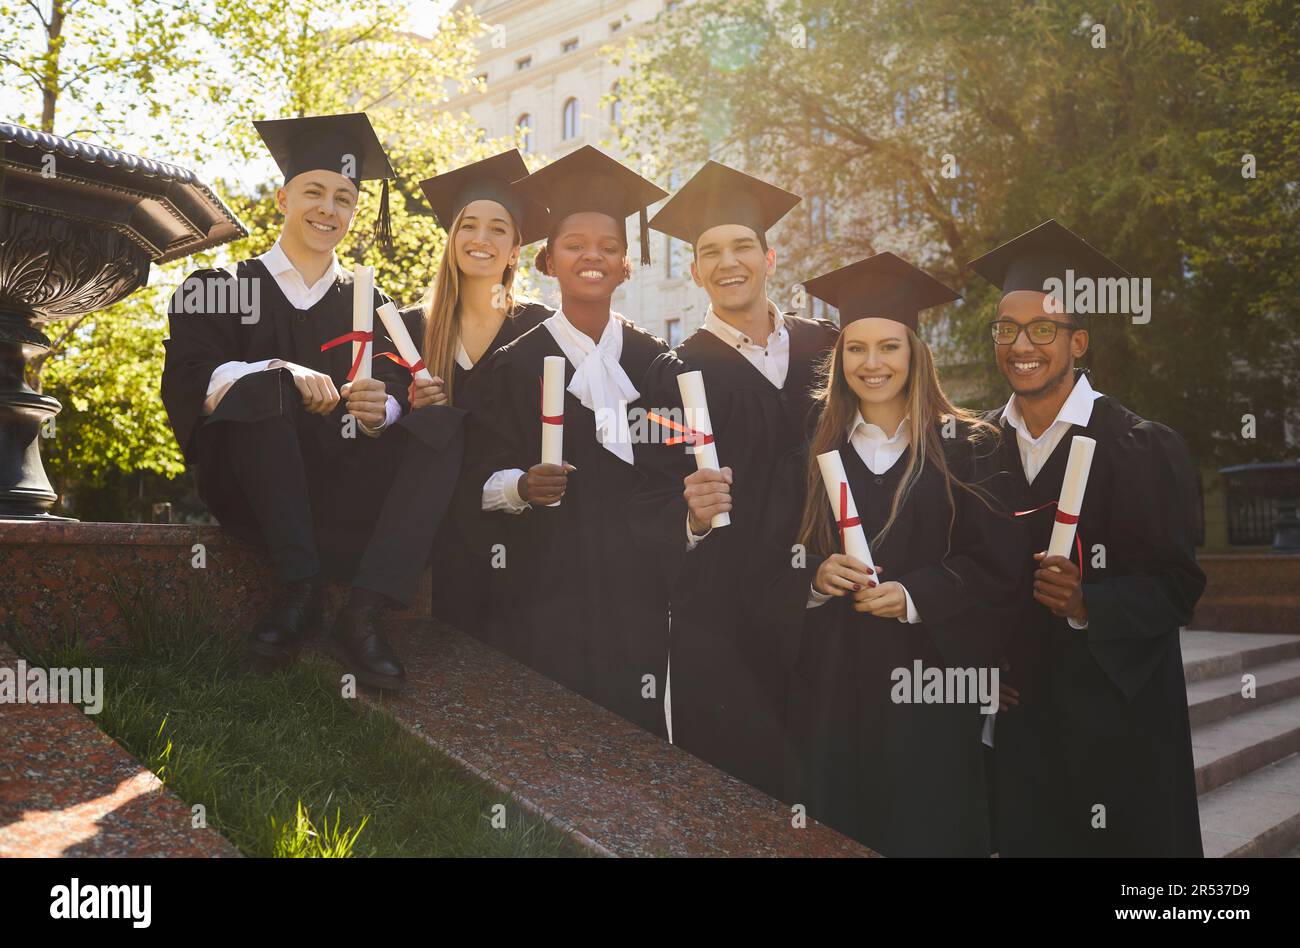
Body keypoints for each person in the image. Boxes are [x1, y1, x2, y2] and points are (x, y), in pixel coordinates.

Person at [969, 219, 1206, 856]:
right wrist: (975, 662)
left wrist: (1086, 604)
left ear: (1079, 342)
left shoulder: (1138, 446)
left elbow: (1178, 588)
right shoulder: (975, 450)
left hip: (1116, 727)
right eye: (1007, 328)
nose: (1022, 344)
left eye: (1044, 329)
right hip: (1019, 731)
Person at [783, 252, 1024, 856]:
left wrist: (918, 595)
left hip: (931, 687)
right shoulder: (810, 449)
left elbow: (999, 565)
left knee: (930, 828)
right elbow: (774, 555)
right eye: (856, 348)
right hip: (833, 688)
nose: (873, 363)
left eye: (889, 346)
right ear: (839, 359)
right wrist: (814, 575)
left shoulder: (972, 446)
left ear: (916, 352)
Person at [161, 112, 412, 671]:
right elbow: (187, 379)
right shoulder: (220, 289)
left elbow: (402, 385)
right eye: (314, 192)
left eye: (344, 198)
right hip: (250, 492)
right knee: (262, 386)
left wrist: (384, 408)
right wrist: (278, 369)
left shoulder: (373, 307)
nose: (329, 208)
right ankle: (303, 589)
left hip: (340, 495)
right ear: (282, 198)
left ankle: (362, 608)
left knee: (428, 422)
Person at [629, 160, 838, 797]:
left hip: (825, 603)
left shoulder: (829, 347)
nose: (729, 262)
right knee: (733, 793)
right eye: (710, 252)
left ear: (770, 258)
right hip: (724, 619)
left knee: (829, 786)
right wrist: (688, 515)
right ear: (694, 272)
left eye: (742, 246)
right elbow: (646, 497)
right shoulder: (671, 374)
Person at [322, 150, 553, 687]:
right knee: (437, 425)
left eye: (499, 228)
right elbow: (387, 402)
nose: (481, 237)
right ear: (451, 239)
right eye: (467, 224)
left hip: (498, 499)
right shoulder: (408, 326)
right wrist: (396, 408)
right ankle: (361, 613)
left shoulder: (540, 330)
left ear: (516, 248)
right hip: (408, 489)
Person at [464, 146, 671, 735]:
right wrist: (522, 485)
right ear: (547, 261)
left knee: (639, 731)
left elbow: (670, 469)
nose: (592, 256)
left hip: (638, 585)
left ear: (627, 265)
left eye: (609, 247)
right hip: (544, 581)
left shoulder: (656, 362)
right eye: (575, 244)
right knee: (555, 733)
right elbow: (478, 479)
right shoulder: (513, 364)